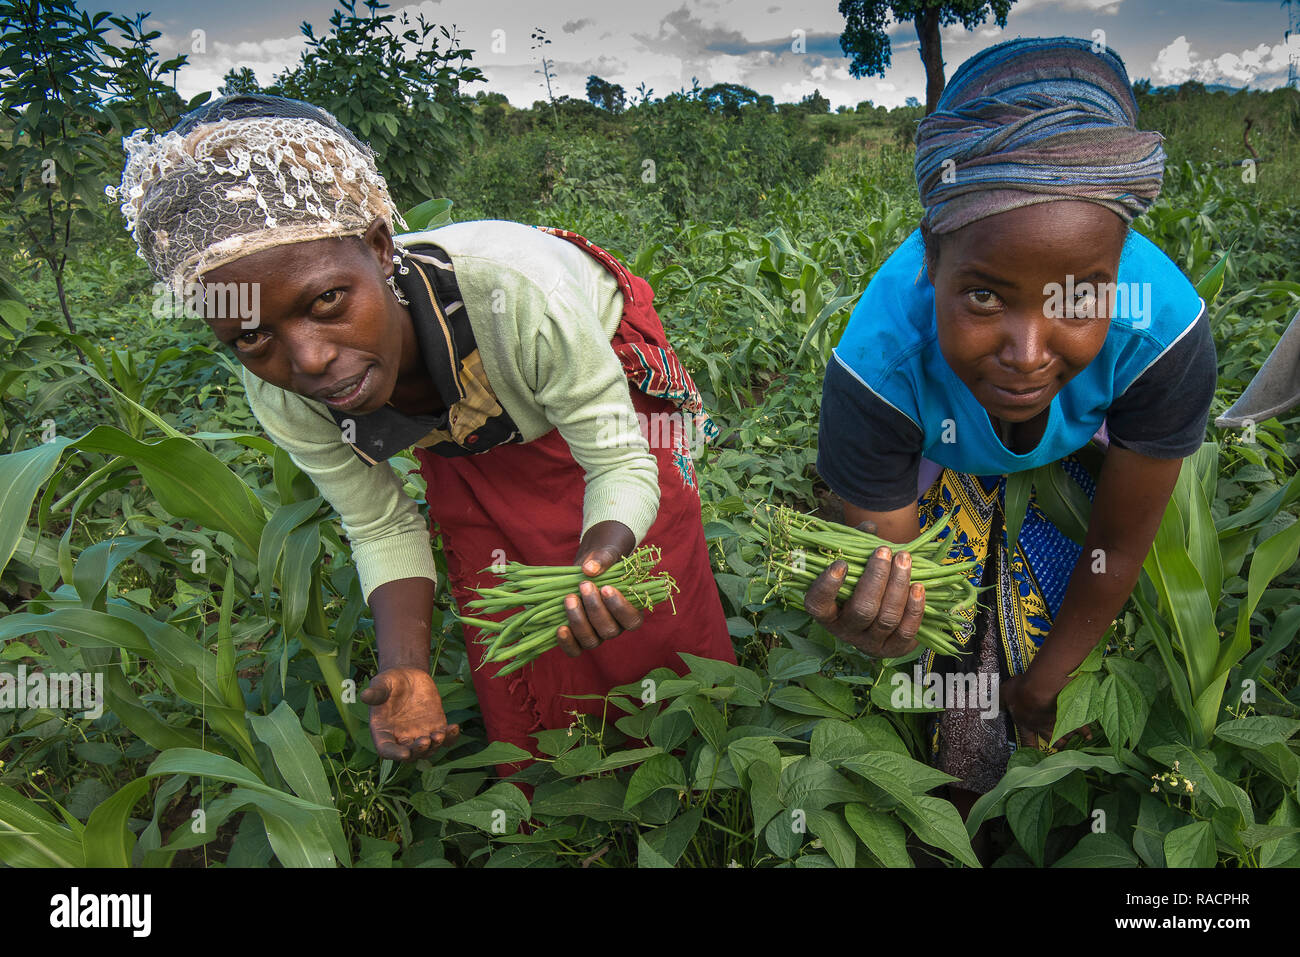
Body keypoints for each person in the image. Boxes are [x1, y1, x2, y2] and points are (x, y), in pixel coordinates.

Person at [109, 94, 733, 773]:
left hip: (583, 380)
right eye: (251, 336)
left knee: (648, 589)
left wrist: (596, 562)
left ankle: (697, 775)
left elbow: (617, 462)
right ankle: (557, 795)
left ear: (380, 249)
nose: (309, 359)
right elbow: (379, 525)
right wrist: (404, 667)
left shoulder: (517, 294)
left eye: (326, 302)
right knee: (506, 608)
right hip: (464, 436)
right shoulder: (281, 389)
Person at [805, 38, 1217, 834]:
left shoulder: (1165, 335)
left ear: (1121, 263)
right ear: (931, 259)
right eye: (986, 297)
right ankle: (964, 811)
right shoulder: (876, 369)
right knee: (956, 663)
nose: (1028, 354)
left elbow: (1119, 547)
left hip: (1082, 446)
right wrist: (877, 633)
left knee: (1060, 642)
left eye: (1075, 296)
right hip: (940, 459)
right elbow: (892, 596)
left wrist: (1043, 683)